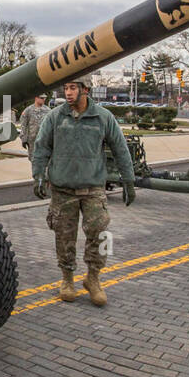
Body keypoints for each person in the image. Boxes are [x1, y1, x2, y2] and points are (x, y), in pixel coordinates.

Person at [31, 74, 135, 307]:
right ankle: (67, 279)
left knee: (100, 232)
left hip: (93, 188)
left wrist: (128, 181)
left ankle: (93, 278)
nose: (67, 93)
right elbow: (41, 147)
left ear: (85, 90)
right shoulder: (55, 117)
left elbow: (120, 149)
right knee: (64, 236)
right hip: (63, 189)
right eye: (65, 88)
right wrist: (38, 176)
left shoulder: (102, 117)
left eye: (72, 88)